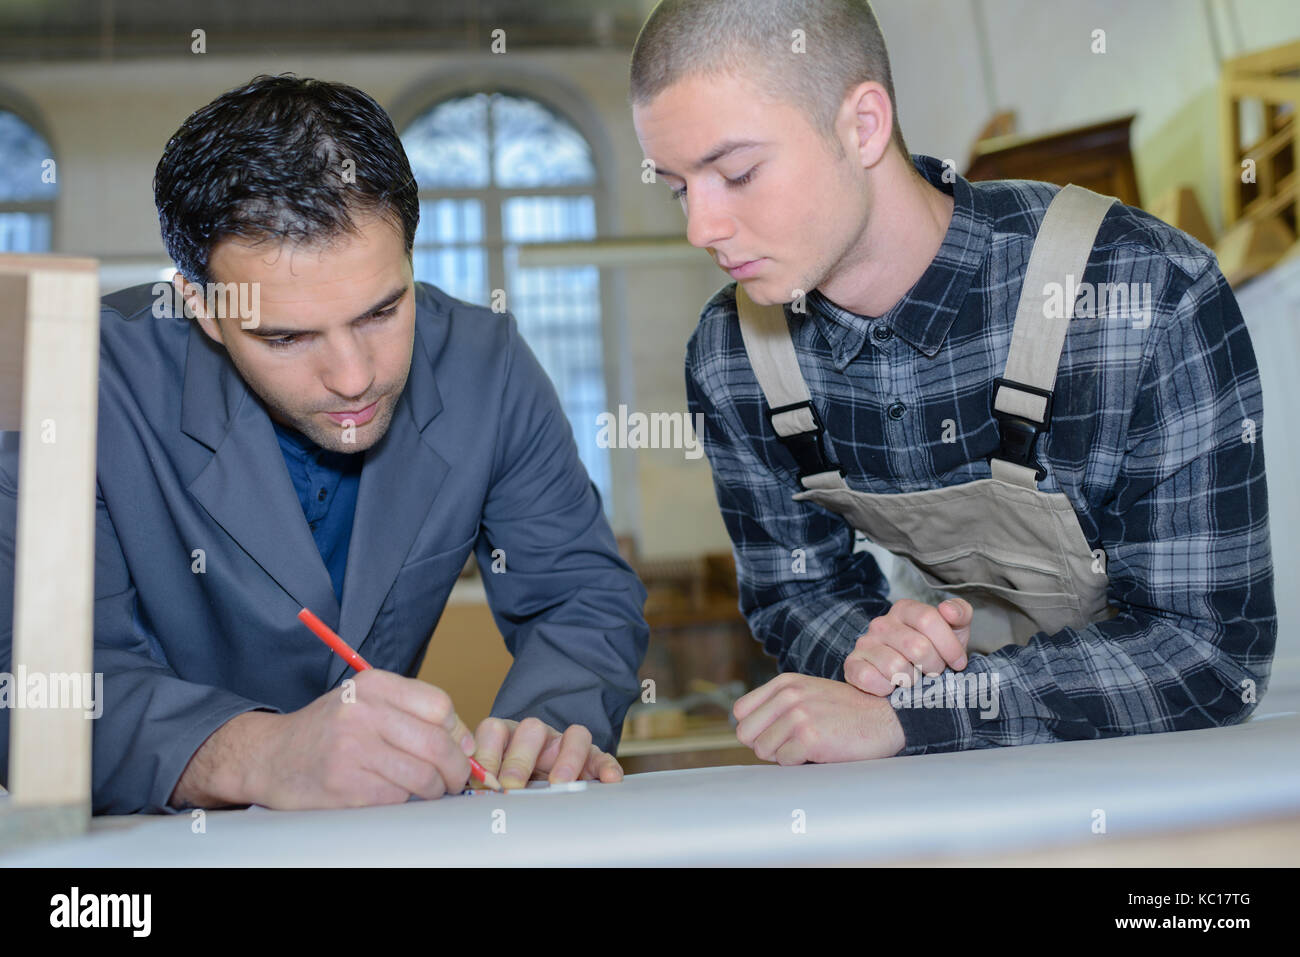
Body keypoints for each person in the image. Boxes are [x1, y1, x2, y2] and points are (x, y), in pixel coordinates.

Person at [630, 0, 1276, 764]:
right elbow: (795, 593)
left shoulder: (1144, 294)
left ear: (863, 126)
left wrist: (932, 705)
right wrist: (871, 650)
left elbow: (1210, 654)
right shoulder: (732, 359)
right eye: (677, 187)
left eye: (736, 173)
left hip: (1160, 775)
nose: (699, 228)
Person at [0, 74, 649, 814]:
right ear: (201, 309)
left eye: (382, 310)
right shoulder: (76, 378)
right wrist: (261, 754)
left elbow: (581, 595)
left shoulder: (484, 365)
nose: (354, 377)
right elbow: (31, 679)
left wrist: (549, 728)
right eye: (286, 335)